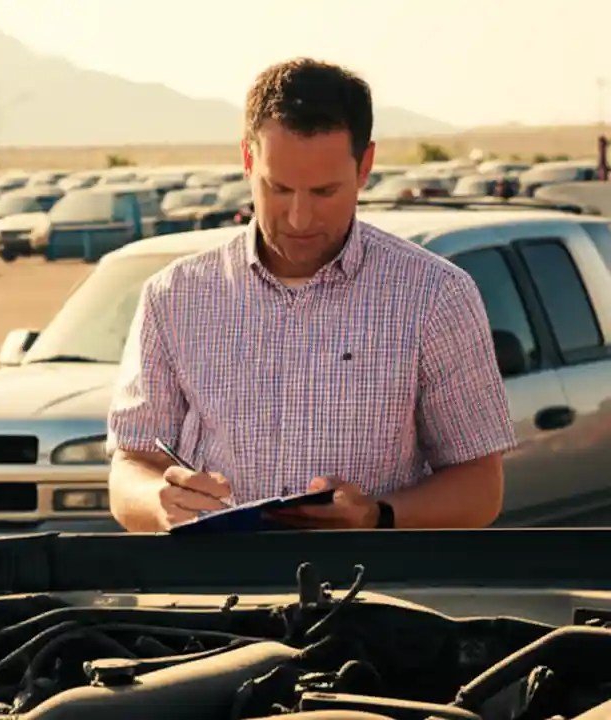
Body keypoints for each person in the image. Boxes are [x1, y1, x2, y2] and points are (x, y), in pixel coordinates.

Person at [105, 58, 516, 532]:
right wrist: (161, 503)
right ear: (246, 160)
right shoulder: (174, 295)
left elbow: (481, 487)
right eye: (278, 189)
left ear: (365, 166)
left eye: (324, 192)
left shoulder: (436, 295)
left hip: (372, 598)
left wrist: (378, 516)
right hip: (219, 597)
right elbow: (130, 466)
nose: (299, 218)